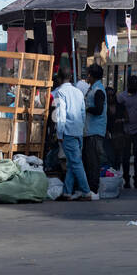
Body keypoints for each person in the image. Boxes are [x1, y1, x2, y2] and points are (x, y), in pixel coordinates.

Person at [52, 68, 95, 201]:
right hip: (78, 131)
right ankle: (67, 192)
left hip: (68, 131)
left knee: (75, 162)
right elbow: (82, 113)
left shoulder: (60, 92)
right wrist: (81, 129)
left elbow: (61, 115)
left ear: (59, 78)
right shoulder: (78, 92)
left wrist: (59, 133)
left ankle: (86, 191)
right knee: (72, 162)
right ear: (70, 77)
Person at [82, 64, 107, 194]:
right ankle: (90, 188)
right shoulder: (93, 89)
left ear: (91, 75)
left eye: (88, 74)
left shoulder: (98, 90)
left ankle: (93, 189)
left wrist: (85, 108)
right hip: (89, 131)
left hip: (95, 132)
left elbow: (99, 109)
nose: (87, 76)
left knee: (93, 162)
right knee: (89, 161)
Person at [118, 75, 137, 189]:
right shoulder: (121, 97)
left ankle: (136, 178)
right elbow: (119, 112)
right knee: (125, 157)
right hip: (125, 130)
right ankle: (126, 179)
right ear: (128, 85)